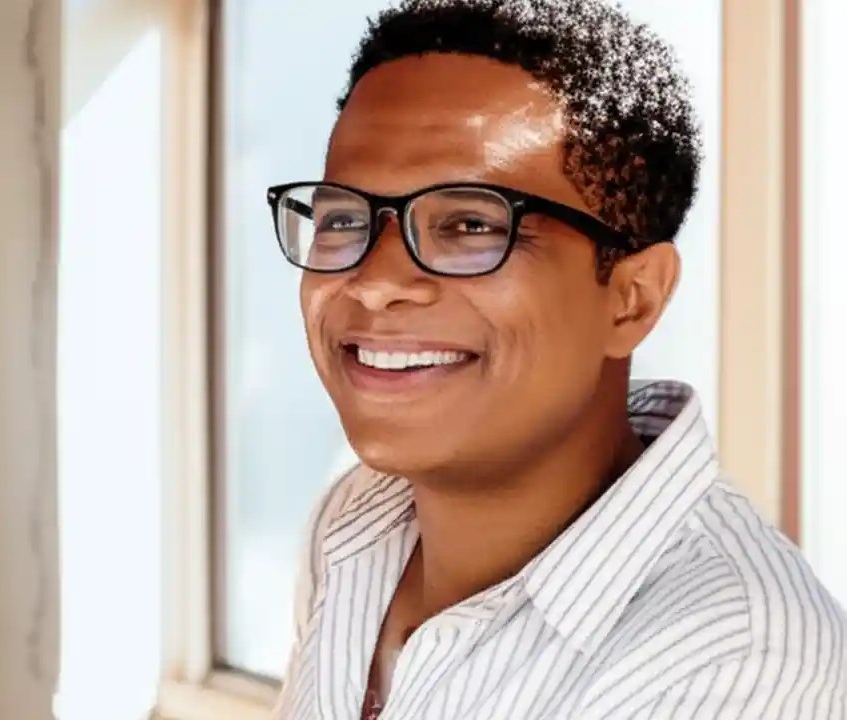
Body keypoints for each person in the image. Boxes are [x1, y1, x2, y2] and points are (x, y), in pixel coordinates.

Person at [269, 1, 847, 718]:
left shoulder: (735, 662)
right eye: (345, 219)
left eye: (471, 224)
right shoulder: (355, 520)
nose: (377, 281)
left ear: (632, 299)